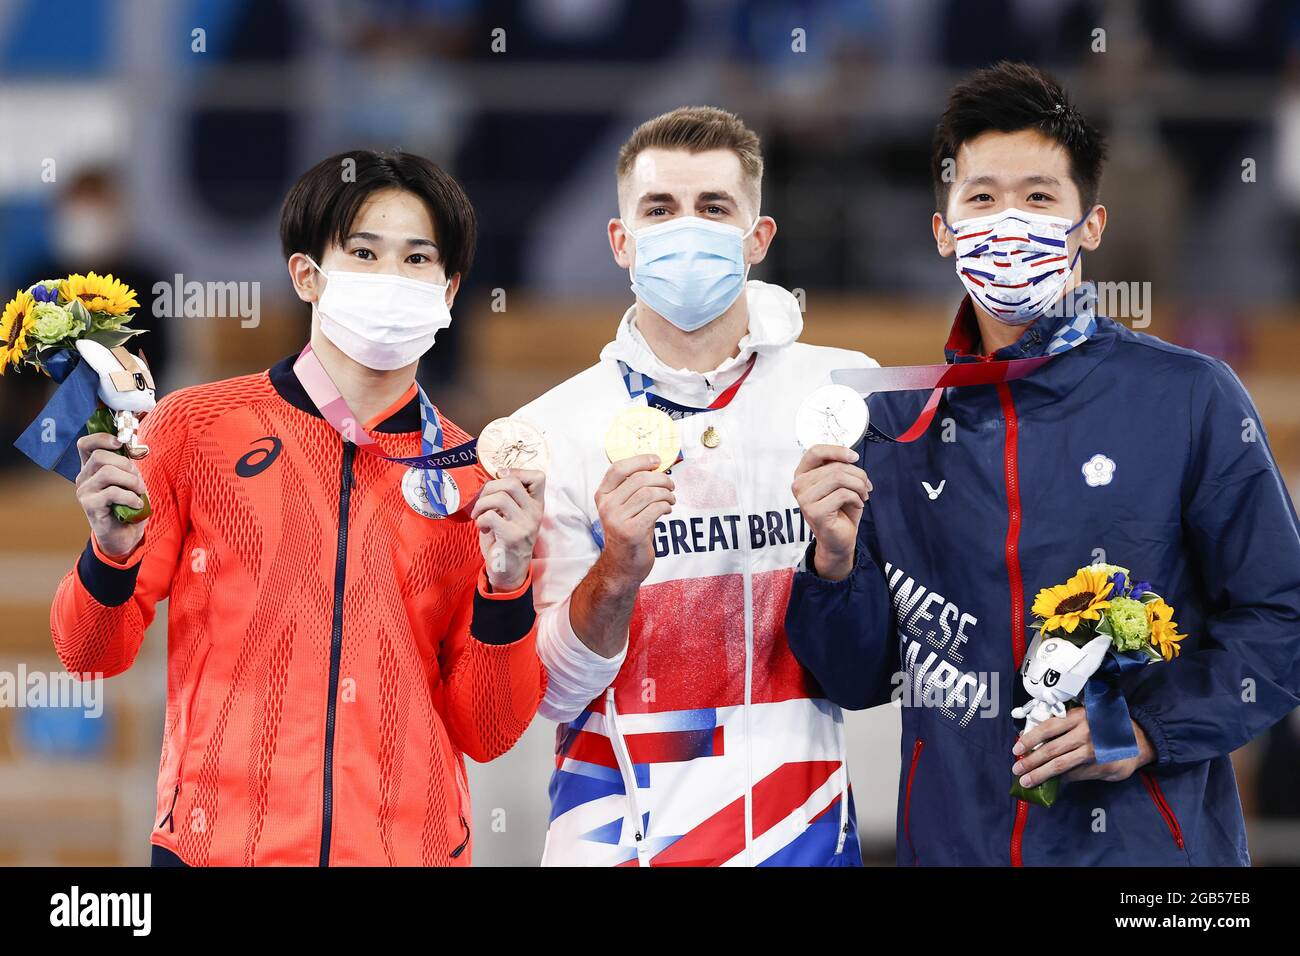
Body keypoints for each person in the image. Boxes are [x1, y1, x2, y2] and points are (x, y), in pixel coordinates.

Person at [784, 62, 1300, 866]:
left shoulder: (1190, 398)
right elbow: (854, 680)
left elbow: (1280, 618)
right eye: (982, 198)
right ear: (943, 229)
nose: (1008, 221)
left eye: (1038, 197)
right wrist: (832, 562)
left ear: (1089, 224)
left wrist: (1151, 731)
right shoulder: (892, 421)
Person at [49, 150, 547, 866]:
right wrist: (109, 556)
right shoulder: (194, 430)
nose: (391, 278)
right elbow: (88, 657)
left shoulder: (480, 480)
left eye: (416, 260)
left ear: (449, 290)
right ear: (306, 275)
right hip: (215, 851)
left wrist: (507, 590)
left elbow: (490, 731)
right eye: (365, 253)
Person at [516, 106, 875, 866]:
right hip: (617, 844)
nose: (687, 226)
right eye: (659, 208)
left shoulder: (846, 396)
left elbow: (876, 661)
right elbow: (544, 693)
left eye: (713, 207)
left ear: (758, 237)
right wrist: (616, 570)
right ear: (622, 242)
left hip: (803, 842)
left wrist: (837, 564)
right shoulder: (554, 429)